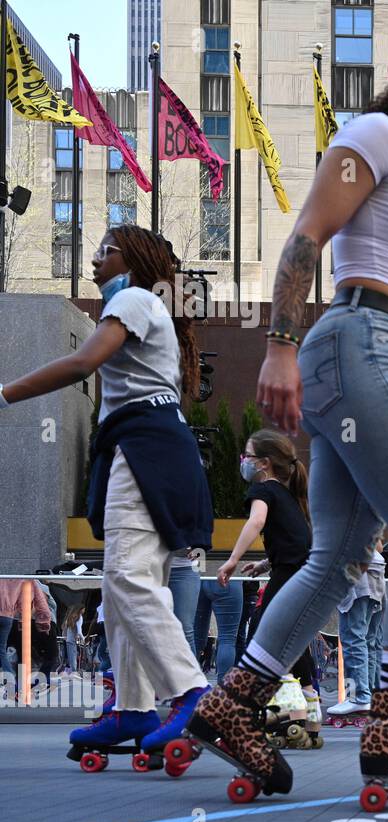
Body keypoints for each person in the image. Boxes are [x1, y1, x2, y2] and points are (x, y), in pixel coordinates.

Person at [183, 30, 388, 802]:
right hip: (355, 346)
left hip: (373, 349)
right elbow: (307, 240)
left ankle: (233, 705)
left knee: (338, 560)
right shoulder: (374, 135)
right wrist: (278, 346)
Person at [0, 226, 212, 758]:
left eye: (106, 249)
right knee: (125, 588)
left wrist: (4, 394)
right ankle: (134, 708)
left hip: (145, 448)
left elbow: (81, 362)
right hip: (150, 448)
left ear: (133, 260)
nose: (95, 257)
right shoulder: (141, 305)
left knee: (125, 579)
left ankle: (192, 692)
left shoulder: (136, 299)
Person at [218, 429, 321, 744]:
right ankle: (311, 721)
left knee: (266, 641)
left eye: (247, 455)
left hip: (290, 574)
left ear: (263, 463)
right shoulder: (289, 495)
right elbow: (294, 540)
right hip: (299, 571)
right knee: (293, 642)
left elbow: (257, 522)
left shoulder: (262, 492)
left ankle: (282, 716)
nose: (243, 462)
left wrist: (233, 559)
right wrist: (266, 563)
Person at [327, 535, 387, 723]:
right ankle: (373, 697)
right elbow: (379, 545)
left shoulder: (338, 506)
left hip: (357, 569)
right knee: (370, 641)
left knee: (353, 639)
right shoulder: (370, 505)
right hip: (376, 567)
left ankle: (357, 696)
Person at [193, 576, 244, 682]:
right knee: (227, 638)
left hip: (201, 575)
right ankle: (223, 690)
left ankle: (188, 688)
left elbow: (198, 562)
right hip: (228, 577)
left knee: (195, 638)